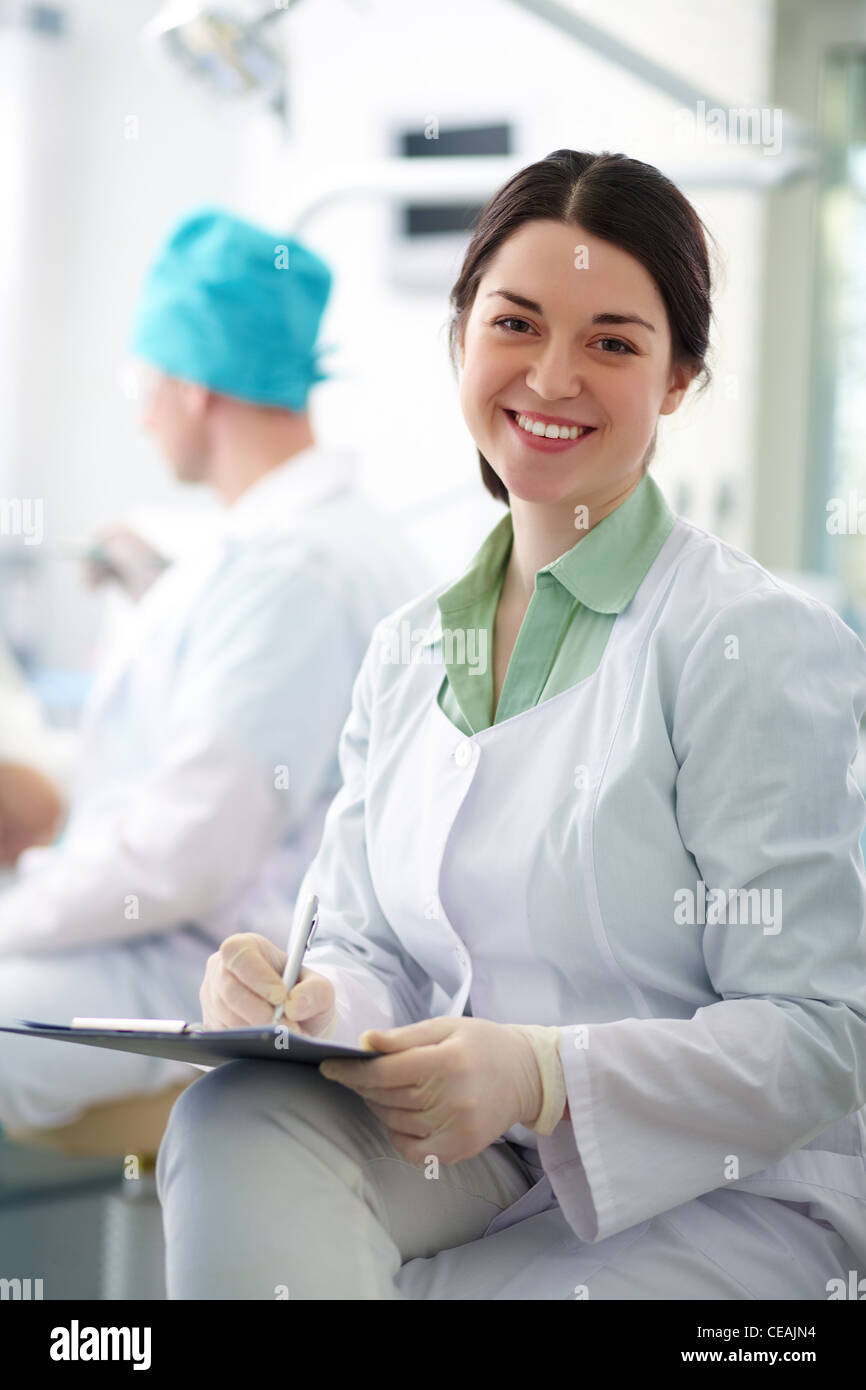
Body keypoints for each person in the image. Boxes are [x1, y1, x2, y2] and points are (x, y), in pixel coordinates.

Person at [156, 152, 866, 1300]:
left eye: (612, 342)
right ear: (460, 338)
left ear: (679, 378)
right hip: (476, 1155)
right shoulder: (407, 650)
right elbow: (371, 944)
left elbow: (820, 1032)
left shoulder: (746, 643)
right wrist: (306, 1004)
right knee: (236, 1119)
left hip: (722, 1191)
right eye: (516, 323)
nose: (550, 375)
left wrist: (544, 1073)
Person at [0, 207, 424, 1131]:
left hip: (210, 965)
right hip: (186, 939)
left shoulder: (292, 573)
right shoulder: (296, 547)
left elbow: (185, 850)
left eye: (143, 381)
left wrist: (22, 904)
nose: (144, 412)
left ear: (193, 388)